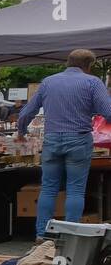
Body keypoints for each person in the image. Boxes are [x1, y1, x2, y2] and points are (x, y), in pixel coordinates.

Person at [17, 48, 111, 239]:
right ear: (89, 65)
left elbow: (27, 111)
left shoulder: (48, 82)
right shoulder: (92, 82)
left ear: (67, 62)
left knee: (49, 187)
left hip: (52, 139)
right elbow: (108, 111)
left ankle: (42, 235)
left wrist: (21, 131)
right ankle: (70, 236)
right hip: (78, 138)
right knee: (75, 189)